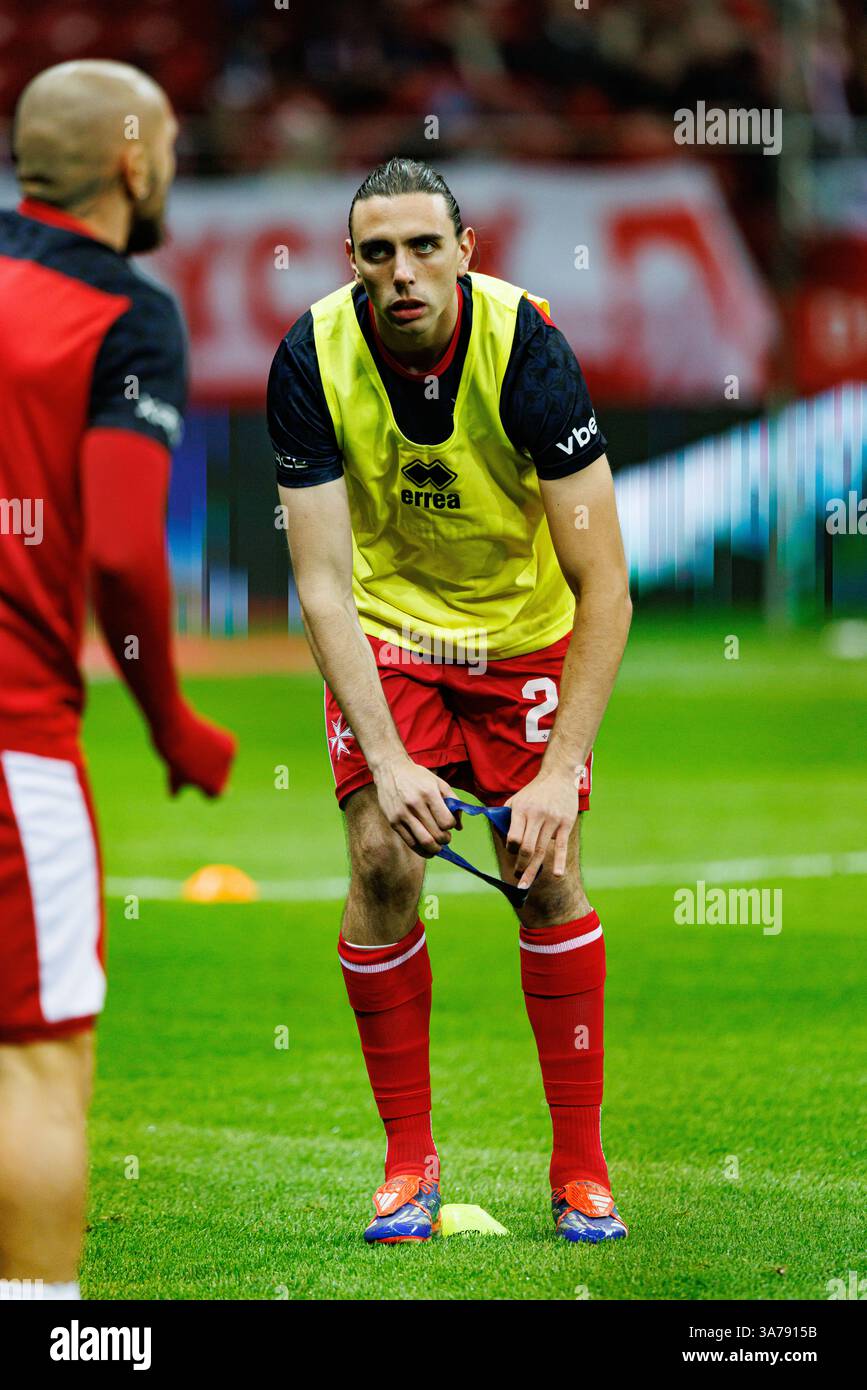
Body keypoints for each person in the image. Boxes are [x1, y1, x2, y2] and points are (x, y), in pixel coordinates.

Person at [267, 157, 631, 1243]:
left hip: (521, 635)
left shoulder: (530, 351)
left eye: (426, 246)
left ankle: (581, 1169)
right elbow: (322, 583)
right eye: (379, 252)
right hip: (390, 633)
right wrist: (386, 756)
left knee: (546, 874)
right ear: (353, 265)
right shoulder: (313, 354)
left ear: (466, 251)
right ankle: (407, 1165)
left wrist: (564, 768)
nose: (404, 271)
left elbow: (605, 582)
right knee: (383, 859)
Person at [0, 60, 235, 1298]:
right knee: (39, 1057)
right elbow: (126, 548)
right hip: (13, 737)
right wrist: (172, 723)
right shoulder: (123, 314)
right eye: (177, 145)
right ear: (134, 162)